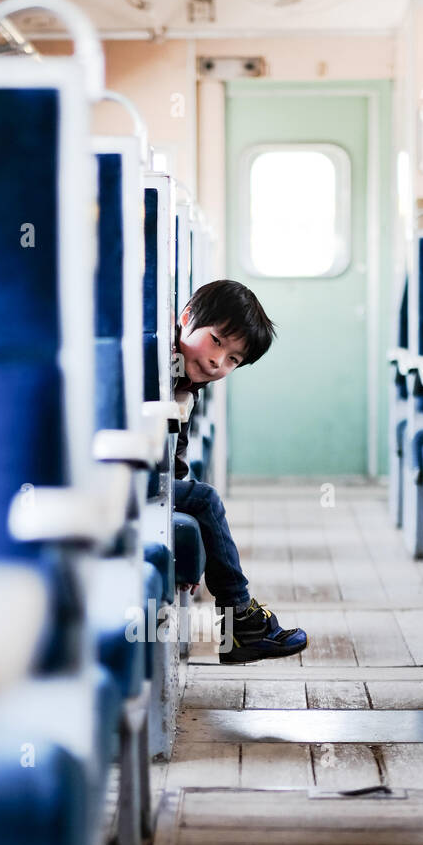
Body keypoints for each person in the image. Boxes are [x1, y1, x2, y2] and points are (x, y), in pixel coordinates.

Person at [171, 279, 308, 664]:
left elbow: (173, 461)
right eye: (216, 341)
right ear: (186, 319)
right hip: (114, 477)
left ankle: (241, 623)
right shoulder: (155, 363)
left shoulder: (184, 379)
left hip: (142, 478)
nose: (218, 361)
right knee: (204, 497)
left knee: (196, 496)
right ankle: (242, 621)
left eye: (233, 359)